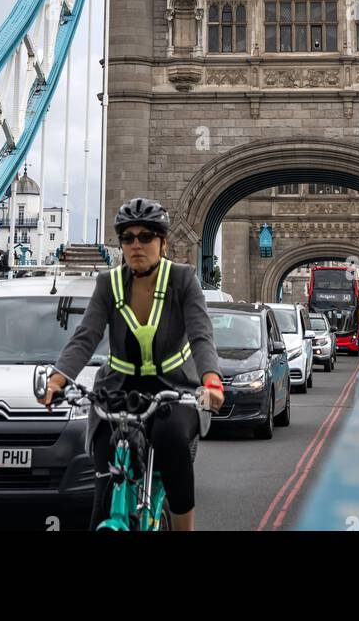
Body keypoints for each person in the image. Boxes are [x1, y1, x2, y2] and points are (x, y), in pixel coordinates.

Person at [40, 197, 224, 532]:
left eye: (146, 236)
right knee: (104, 468)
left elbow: (200, 335)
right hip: (118, 388)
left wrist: (211, 379)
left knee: (170, 442)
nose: (136, 244)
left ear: (163, 243)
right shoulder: (107, 283)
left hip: (174, 389)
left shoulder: (183, 280)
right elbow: (86, 335)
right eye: (128, 237)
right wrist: (57, 379)